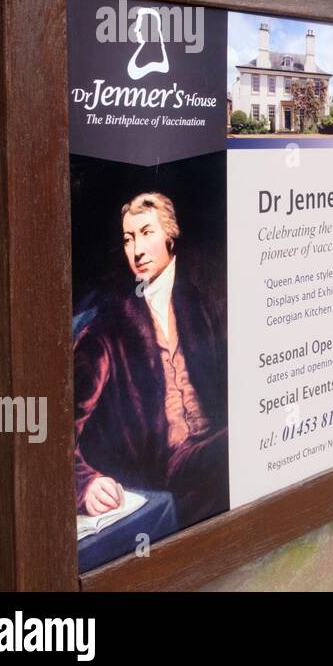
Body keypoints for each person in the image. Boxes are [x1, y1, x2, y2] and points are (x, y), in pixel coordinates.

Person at [73, 192, 228, 528]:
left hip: (209, 446)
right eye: (129, 239)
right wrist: (84, 483)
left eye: (147, 233)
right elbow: (59, 423)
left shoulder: (197, 303)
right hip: (162, 469)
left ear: (170, 235)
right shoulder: (109, 327)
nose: (137, 250)